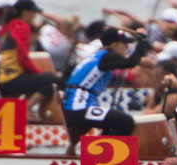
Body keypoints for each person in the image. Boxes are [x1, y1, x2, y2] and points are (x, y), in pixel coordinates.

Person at [61, 26, 150, 154]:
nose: (127, 47)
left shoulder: (98, 56)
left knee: (115, 121)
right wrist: (142, 43)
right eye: (124, 44)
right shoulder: (107, 56)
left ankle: (95, 154)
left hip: (75, 107)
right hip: (78, 108)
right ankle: (100, 158)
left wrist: (142, 44)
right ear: (113, 45)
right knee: (126, 122)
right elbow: (131, 62)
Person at [0, 0, 65, 124]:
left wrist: (37, 75)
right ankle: (26, 109)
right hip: (12, 80)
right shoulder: (22, 27)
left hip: (4, 80)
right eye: (33, 13)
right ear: (26, 12)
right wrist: (38, 72)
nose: (34, 17)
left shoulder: (8, 26)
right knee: (54, 79)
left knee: (48, 84)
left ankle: (27, 109)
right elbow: (23, 58)